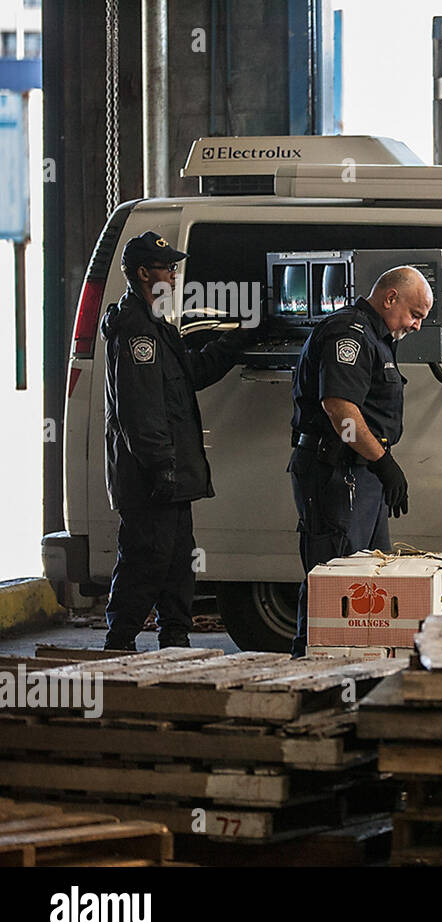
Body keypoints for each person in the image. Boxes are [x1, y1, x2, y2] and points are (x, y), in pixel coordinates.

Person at [101, 231, 258, 651]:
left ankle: (175, 638)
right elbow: (140, 410)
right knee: (145, 560)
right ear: (141, 273)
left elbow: (193, 374)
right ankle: (119, 643)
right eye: (166, 268)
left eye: (173, 267)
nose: (173, 276)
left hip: (171, 473)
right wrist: (163, 466)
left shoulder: (158, 326)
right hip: (152, 476)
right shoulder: (137, 333)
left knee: (178, 561)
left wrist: (238, 338)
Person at [288, 267, 432, 657]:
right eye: (414, 314)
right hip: (335, 472)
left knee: (370, 578)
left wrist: (380, 463)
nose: (417, 325)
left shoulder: (378, 338)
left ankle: (359, 663)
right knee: (334, 579)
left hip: (359, 472)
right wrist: (384, 462)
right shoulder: (349, 334)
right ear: (390, 299)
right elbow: (340, 411)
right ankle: (310, 663)